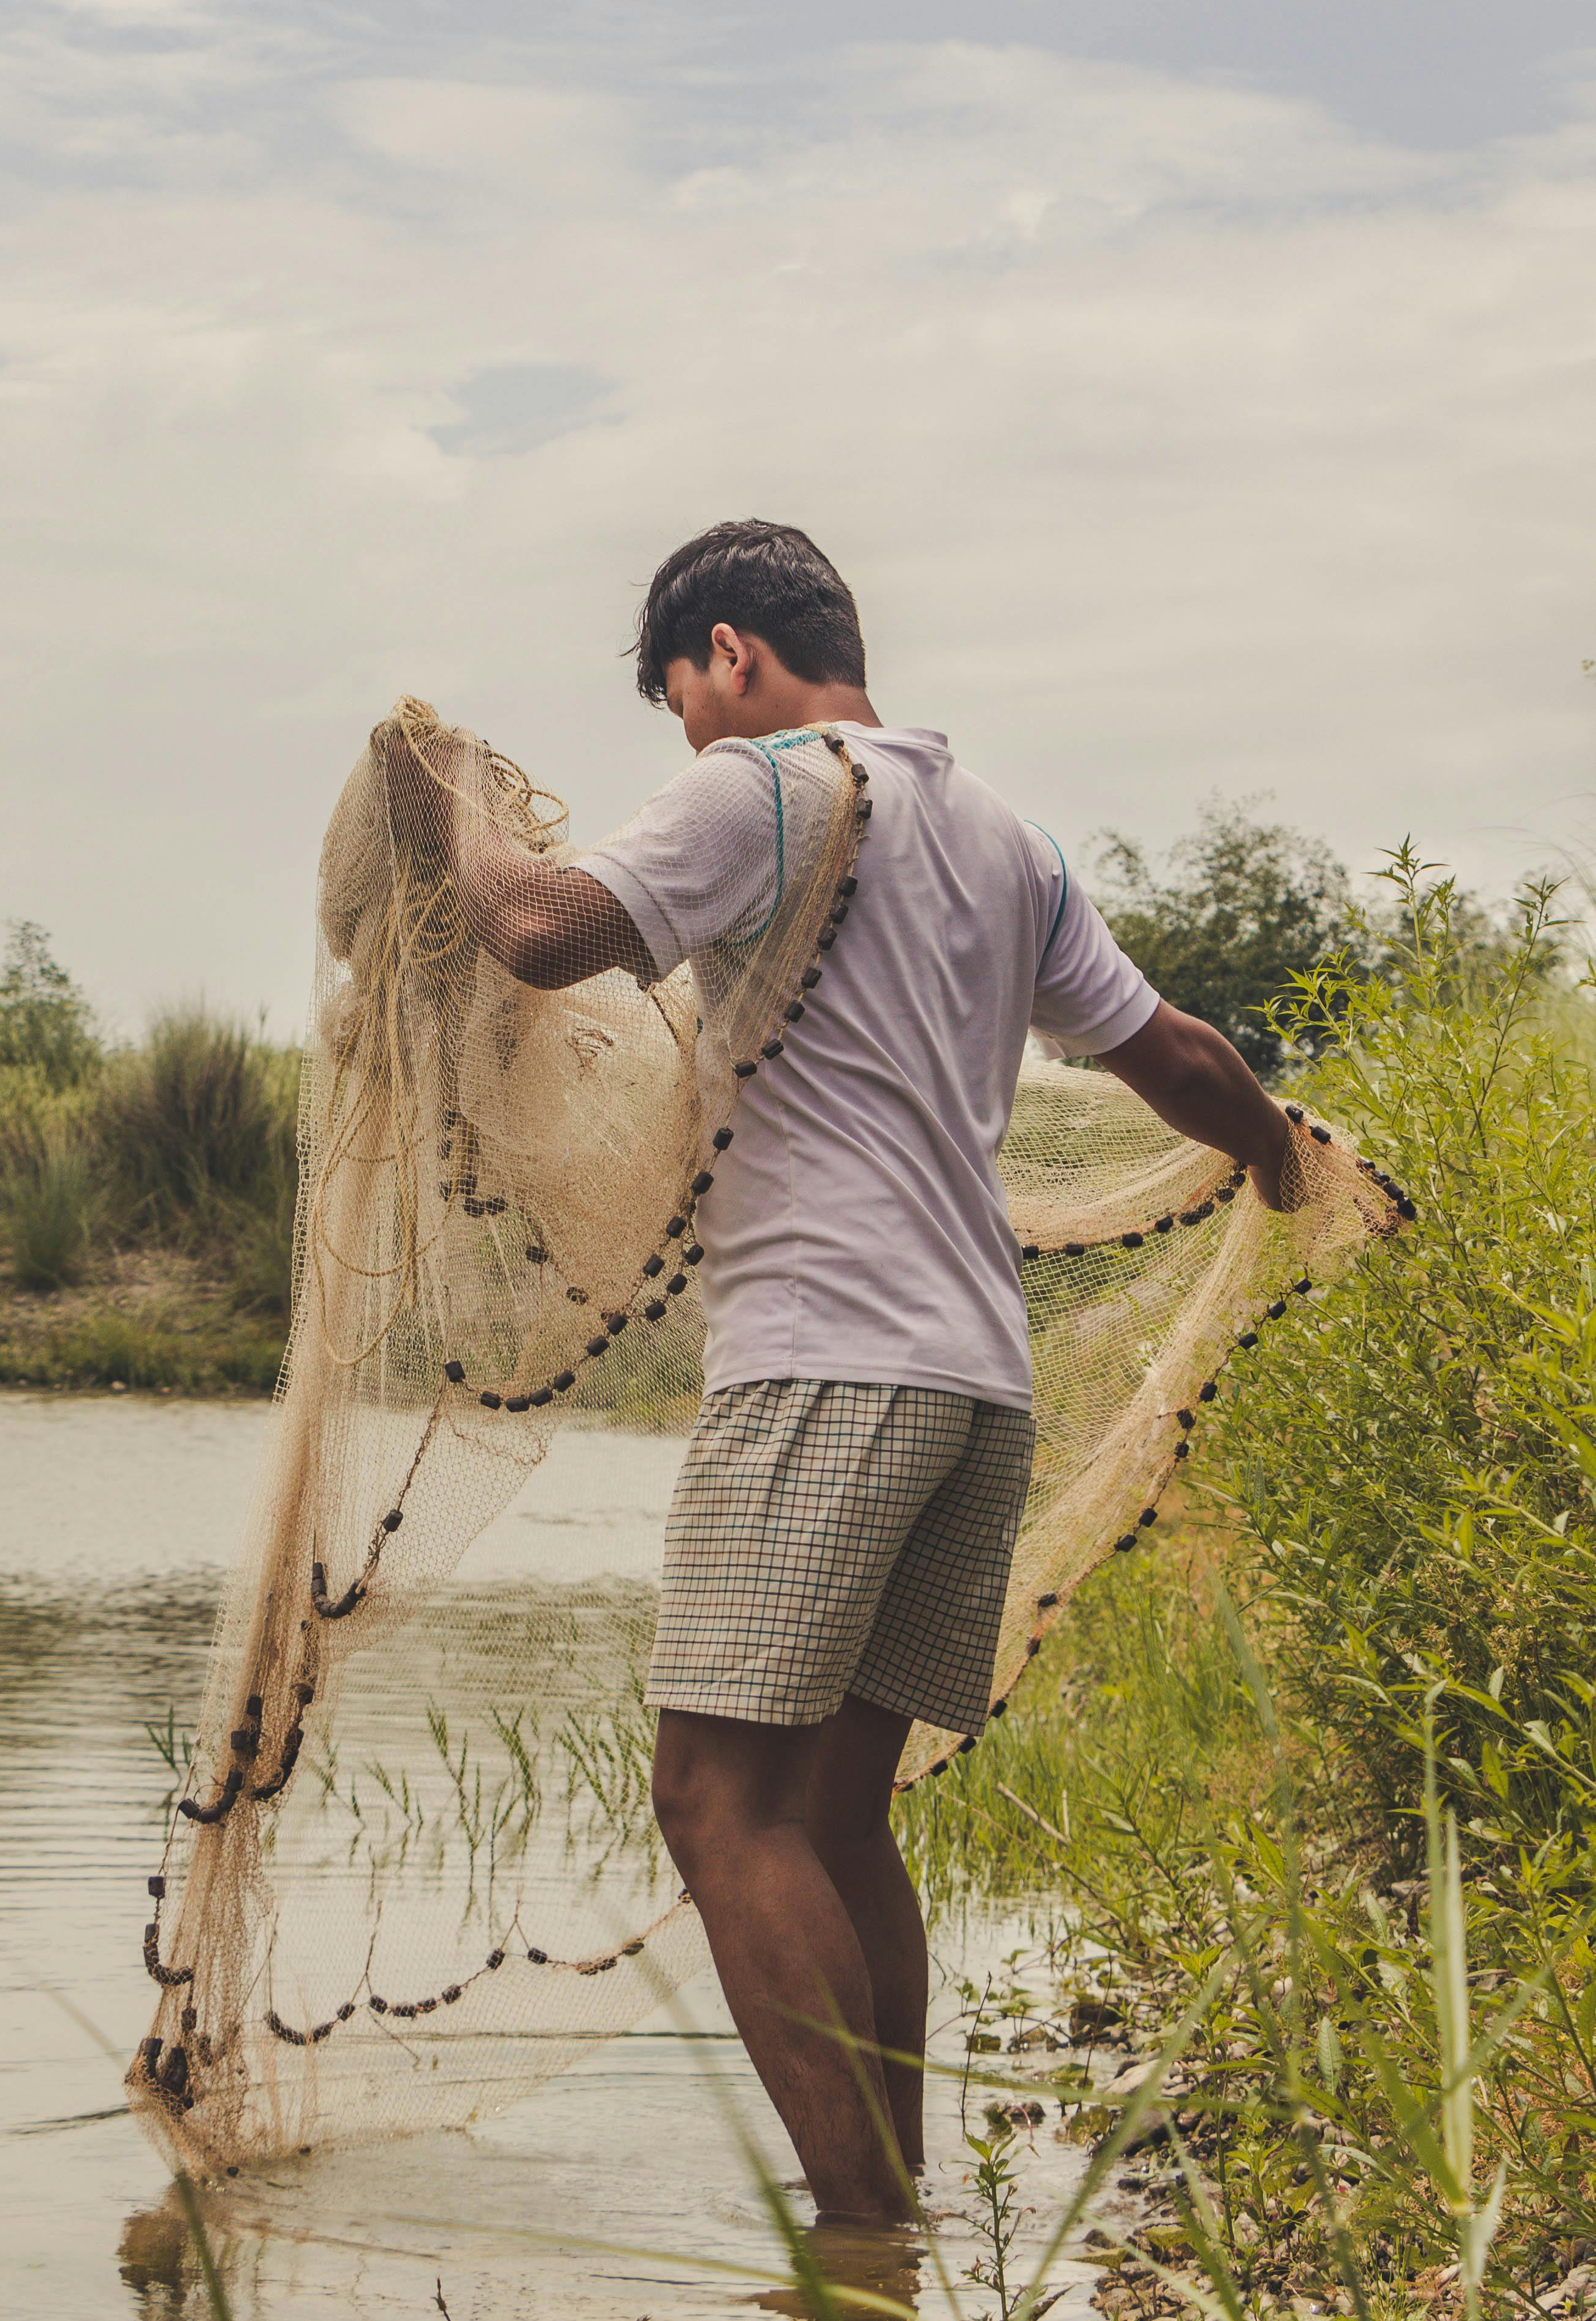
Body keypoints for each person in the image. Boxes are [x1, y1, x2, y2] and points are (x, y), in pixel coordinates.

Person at [435, 518, 1298, 2224]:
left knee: (711, 1800)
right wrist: (1280, 1156)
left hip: (825, 1365)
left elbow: (537, 927)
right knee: (836, 1818)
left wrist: (443, 793)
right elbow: (1176, 1055)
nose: (688, 737)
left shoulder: (761, 785)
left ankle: (859, 2236)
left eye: (683, 700)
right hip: (975, 1386)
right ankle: (895, 2229)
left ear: (732, 654)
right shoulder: (1003, 838)